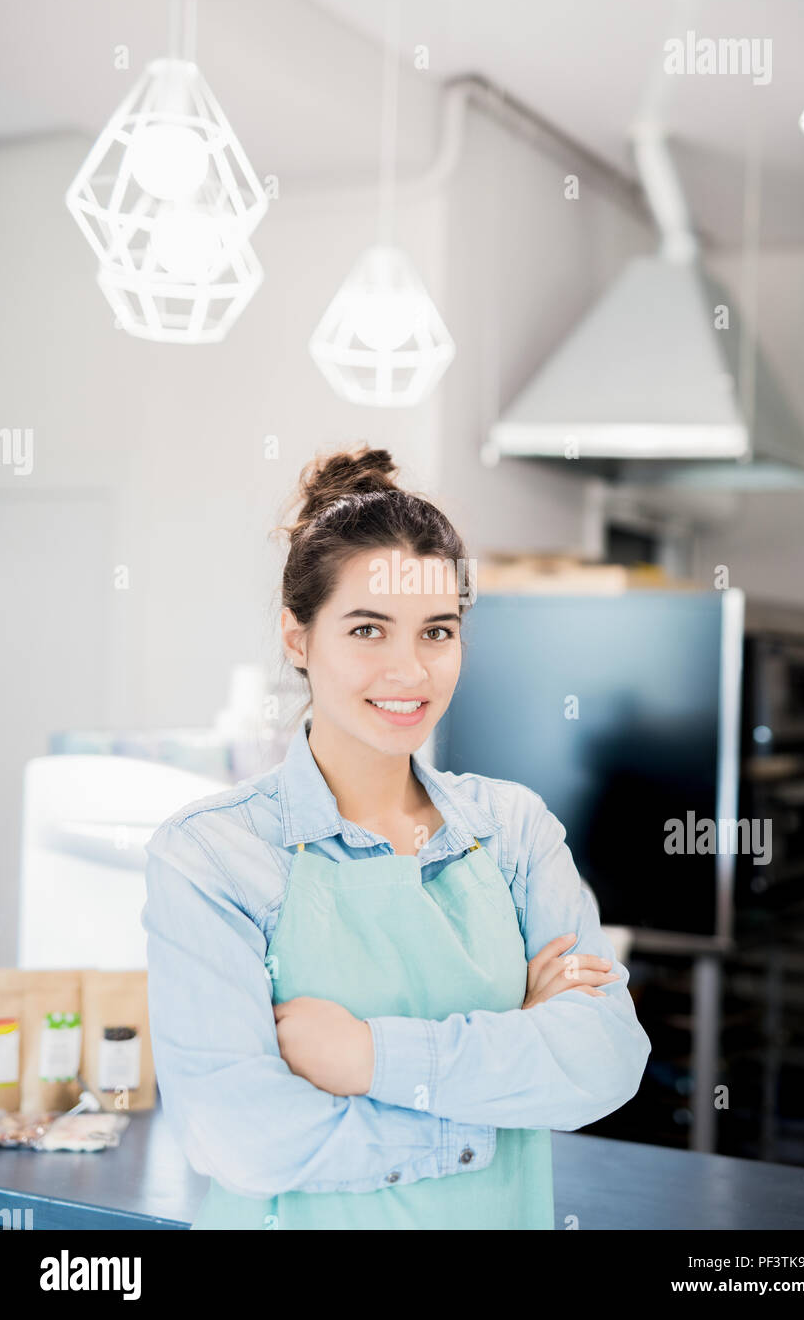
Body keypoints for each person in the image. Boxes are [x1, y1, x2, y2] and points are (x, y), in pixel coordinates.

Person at [142, 443, 652, 1230]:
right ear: (297, 638)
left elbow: (606, 1059)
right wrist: (503, 1077)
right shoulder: (215, 857)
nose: (410, 671)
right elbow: (241, 1136)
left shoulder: (512, 832)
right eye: (369, 629)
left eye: (438, 631)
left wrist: (365, 1057)